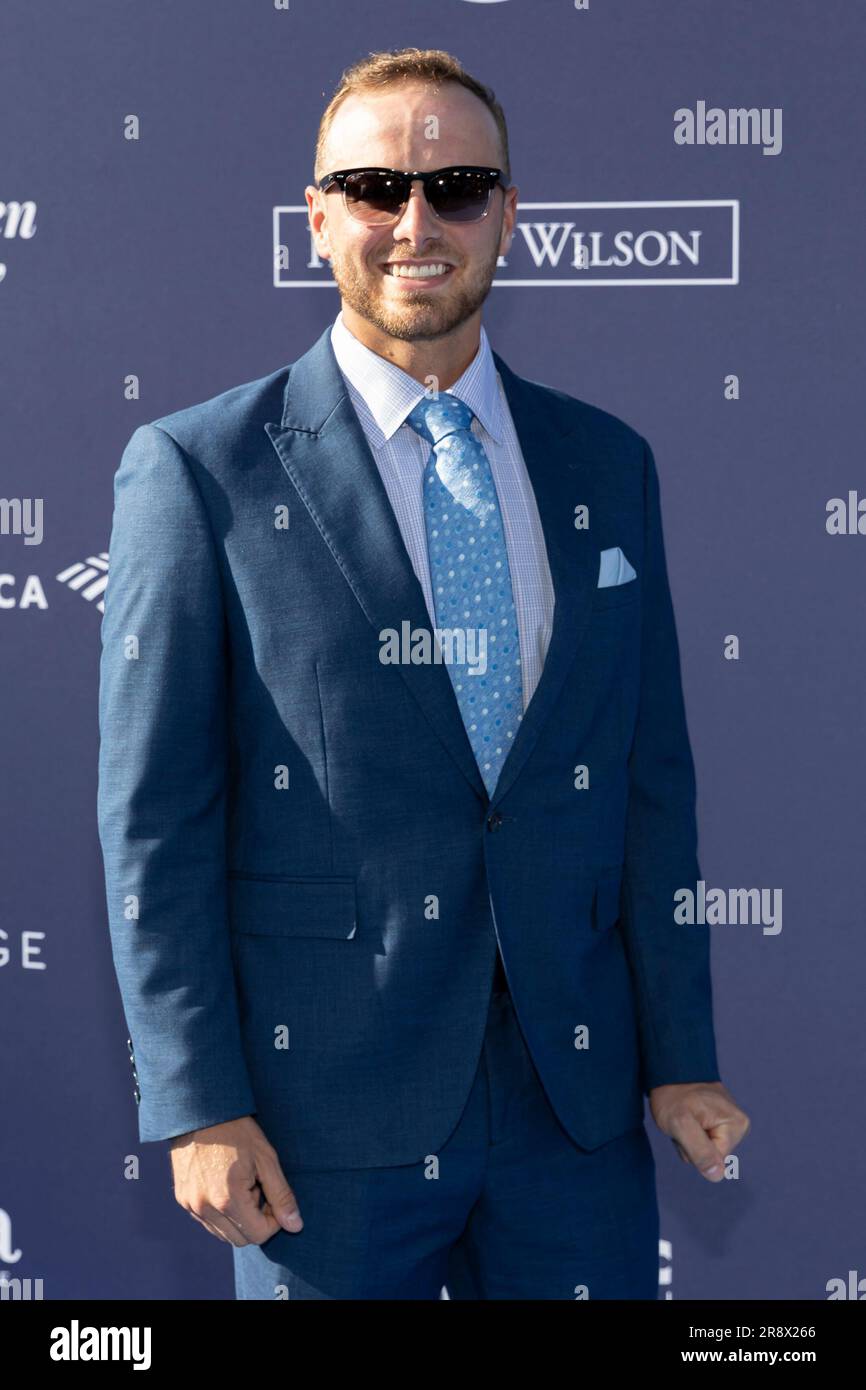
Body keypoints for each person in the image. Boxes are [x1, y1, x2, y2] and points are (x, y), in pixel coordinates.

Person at [97, 47, 749, 1301]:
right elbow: (155, 821)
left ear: (506, 215)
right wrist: (196, 1103)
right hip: (319, 1124)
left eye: (456, 187)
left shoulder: (606, 464)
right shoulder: (200, 471)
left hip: (574, 1110)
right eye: (375, 186)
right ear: (317, 217)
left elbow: (648, 788)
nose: (417, 224)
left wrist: (678, 1055)